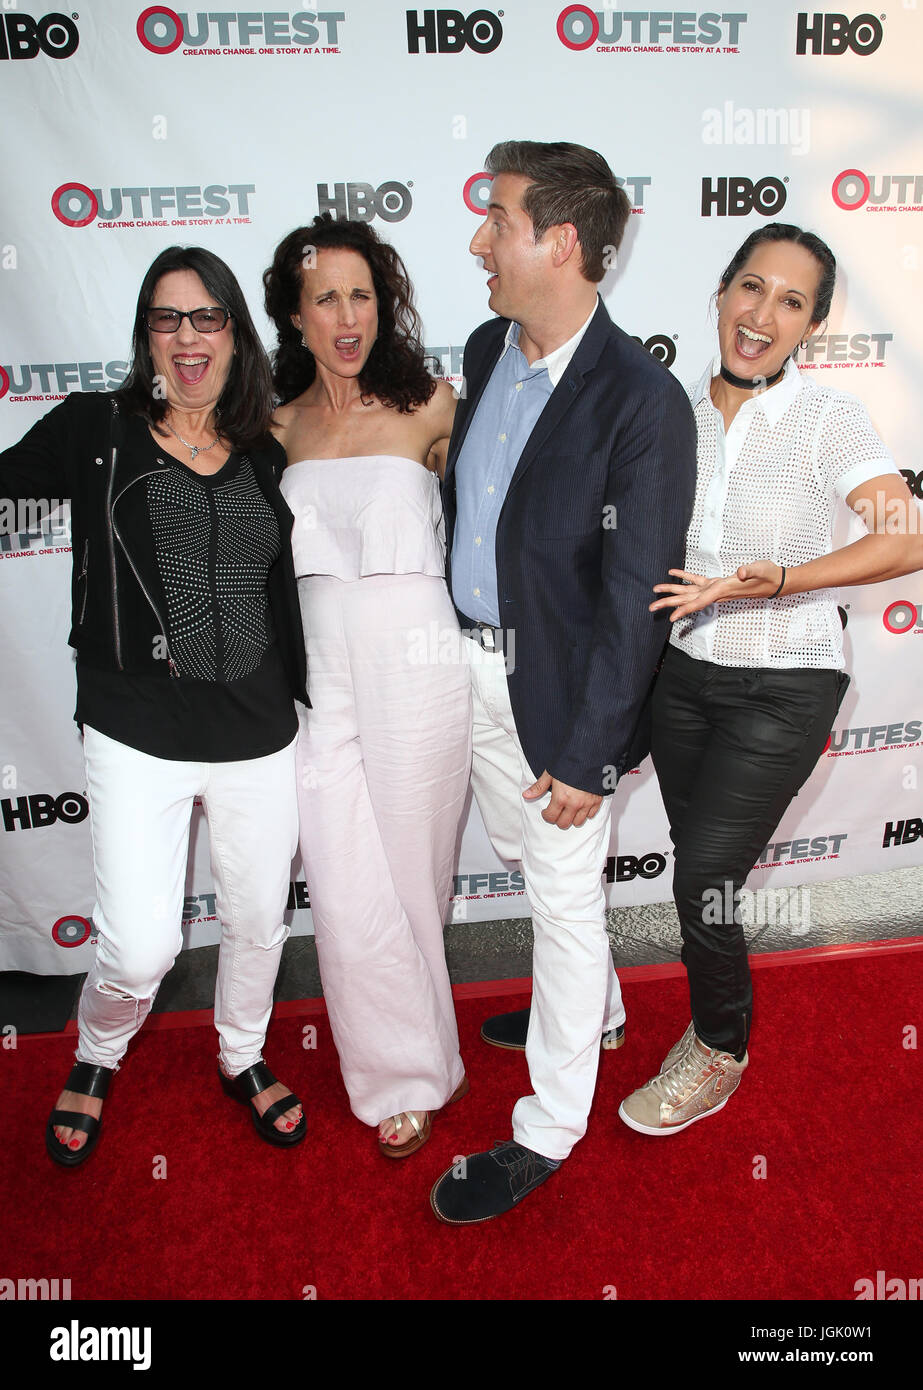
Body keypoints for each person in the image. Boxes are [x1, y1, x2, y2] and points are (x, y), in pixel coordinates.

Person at [428, 141, 697, 1224]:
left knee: (562, 900)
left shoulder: (642, 402)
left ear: (562, 243)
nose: (476, 239)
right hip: (471, 673)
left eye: (495, 218)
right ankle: (593, 1014)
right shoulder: (492, 345)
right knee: (519, 853)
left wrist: (589, 752)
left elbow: (638, 595)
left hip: (563, 705)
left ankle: (546, 1126)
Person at [0, 246, 309, 1165]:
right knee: (139, 951)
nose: (186, 336)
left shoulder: (266, 445)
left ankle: (241, 1053)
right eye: (166, 319)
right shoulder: (98, 427)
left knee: (257, 920)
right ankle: (97, 1052)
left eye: (206, 317)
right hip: (136, 728)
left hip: (258, 730)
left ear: (233, 334)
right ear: (145, 335)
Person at [618, 222, 923, 1135]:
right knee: (698, 865)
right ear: (720, 293)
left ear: (812, 325)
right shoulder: (667, 408)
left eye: (790, 301)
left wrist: (782, 578)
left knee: (705, 874)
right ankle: (607, 1008)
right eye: (750, 287)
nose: (761, 314)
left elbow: (901, 535)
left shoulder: (829, 419)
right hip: (680, 676)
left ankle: (717, 1047)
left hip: (785, 679)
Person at [263, 216, 471, 1157]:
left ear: (381, 307)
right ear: (294, 316)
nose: (346, 315)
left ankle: (426, 1058)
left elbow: (509, 518)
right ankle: (395, 1072)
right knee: (344, 887)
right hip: (316, 681)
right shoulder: (272, 425)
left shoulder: (434, 403)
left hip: (419, 666)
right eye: (324, 298)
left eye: (361, 294)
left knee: (413, 880)